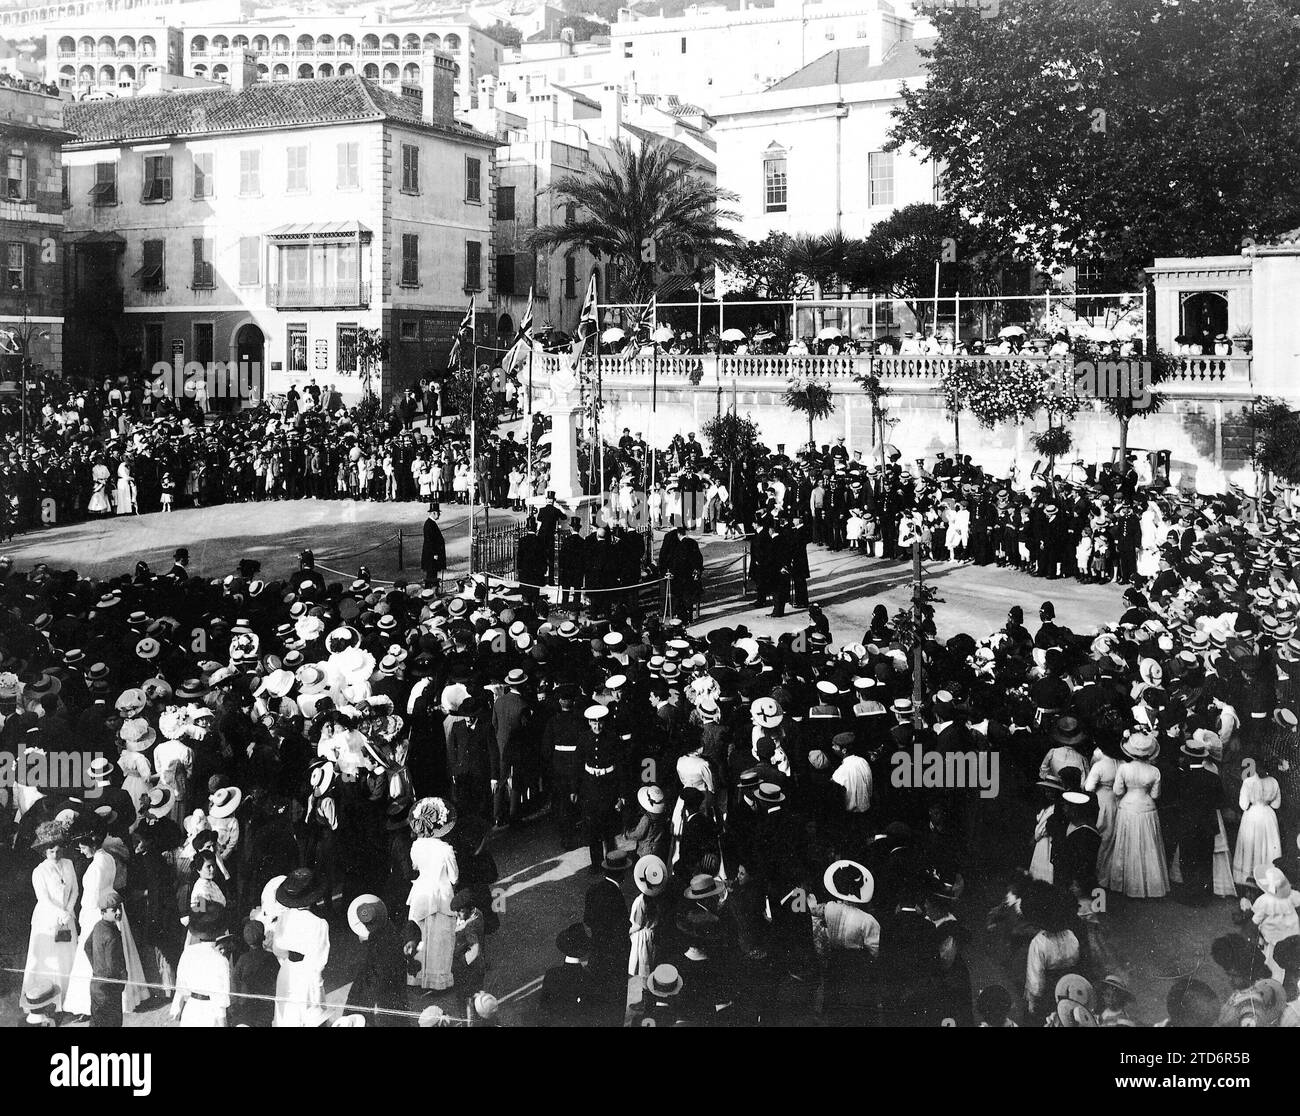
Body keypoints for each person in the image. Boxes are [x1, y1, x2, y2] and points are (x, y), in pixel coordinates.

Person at [22, 820, 79, 1013]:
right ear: (44, 851)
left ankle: (69, 1001)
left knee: (67, 957)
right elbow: (43, 899)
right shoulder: (39, 871)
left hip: (67, 918)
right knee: (52, 959)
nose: (55, 855)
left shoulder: (69, 864)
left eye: (57, 850)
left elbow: (75, 891)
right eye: (51, 851)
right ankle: (48, 1001)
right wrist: (60, 912)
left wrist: (68, 911)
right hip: (48, 919)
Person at [1107, 732, 1170, 898]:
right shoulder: (1154, 771)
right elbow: (1156, 795)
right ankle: (1150, 884)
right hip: (1147, 807)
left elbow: (1117, 790)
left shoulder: (1124, 768)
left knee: (1126, 843)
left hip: (1128, 806)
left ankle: (1125, 883)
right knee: (1148, 845)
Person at [406, 797, 458, 991]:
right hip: (442, 895)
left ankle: (416, 977)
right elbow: (454, 877)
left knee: (420, 936)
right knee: (440, 940)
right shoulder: (446, 849)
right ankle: (438, 982)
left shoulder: (416, 846)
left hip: (421, 892)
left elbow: (415, 866)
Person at [85, 891, 128, 1028]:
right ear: (103, 912)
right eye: (114, 910)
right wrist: (122, 979)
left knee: (97, 1022)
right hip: (110, 990)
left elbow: (87, 947)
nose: (118, 912)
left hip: (97, 985)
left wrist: (97, 968)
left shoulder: (98, 926)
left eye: (119, 908)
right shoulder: (112, 935)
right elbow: (112, 967)